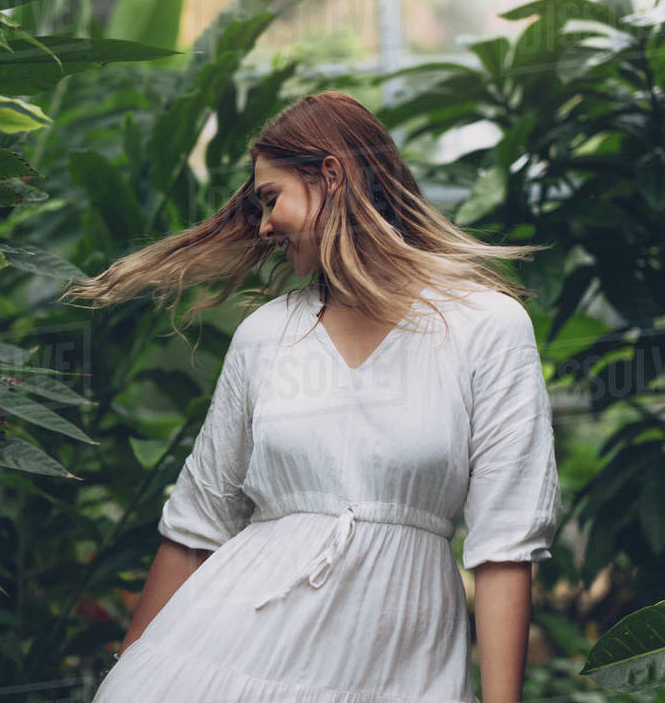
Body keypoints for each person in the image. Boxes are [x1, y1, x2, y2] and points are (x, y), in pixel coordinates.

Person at [61, 91, 562, 703]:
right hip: (223, 660)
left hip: (399, 670)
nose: (264, 225)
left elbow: (505, 547)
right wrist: (124, 677)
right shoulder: (265, 336)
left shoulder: (487, 326)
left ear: (330, 176)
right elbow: (196, 527)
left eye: (270, 199)